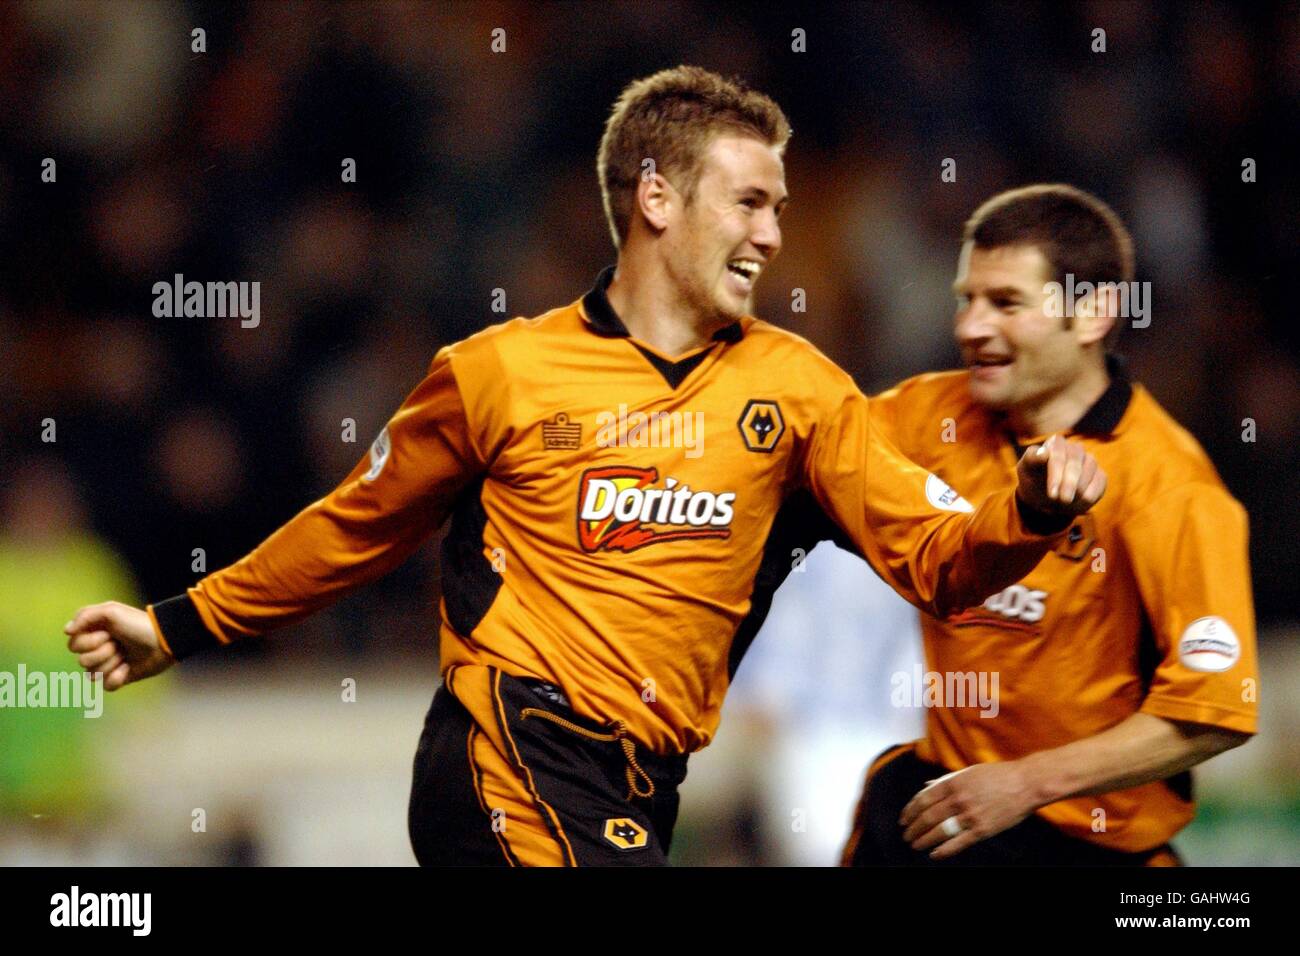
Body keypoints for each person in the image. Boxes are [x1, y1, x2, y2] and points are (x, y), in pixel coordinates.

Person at [65, 68, 1105, 867]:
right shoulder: (497, 374)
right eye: (748, 202)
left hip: (639, 784)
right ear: (656, 196)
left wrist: (1024, 509)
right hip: (507, 749)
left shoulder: (799, 392)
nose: (772, 235)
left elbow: (938, 556)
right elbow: (353, 525)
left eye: (778, 208)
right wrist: (177, 622)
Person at [839, 184, 1257, 867]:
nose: (970, 327)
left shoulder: (1171, 487)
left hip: (1087, 844)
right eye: (966, 299)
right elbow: (796, 448)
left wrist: (1026, 784)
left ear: (1091, 314)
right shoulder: (926, 419)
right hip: (944, 810)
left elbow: (1212, 715)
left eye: (1005, 303)